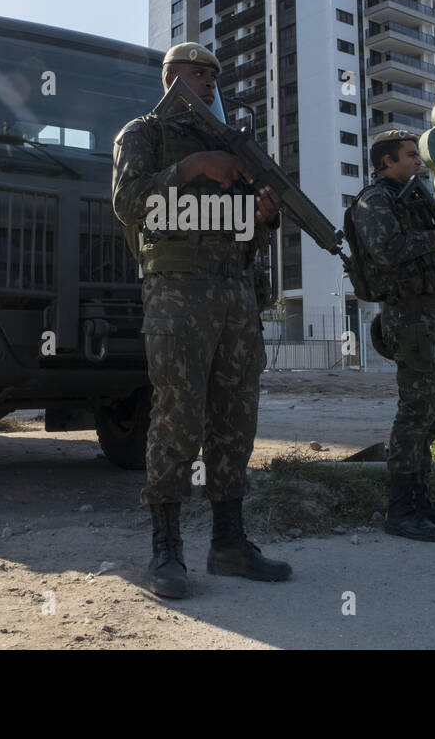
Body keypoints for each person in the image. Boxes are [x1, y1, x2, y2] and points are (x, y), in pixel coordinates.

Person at [111, 41, 288, 599]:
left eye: (214, 74)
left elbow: (248, 232)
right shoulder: (143, 133)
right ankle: (166, 550)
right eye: (196, 72)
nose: (209, 81)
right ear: (170, 78)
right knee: (177, 416)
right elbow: (128, 201)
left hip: (235, 290)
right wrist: (191, 167)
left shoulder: (230, 142)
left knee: (236, 418)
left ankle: (230, 544)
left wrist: (265, 216)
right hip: (177, 290)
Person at [351, 130, 435, 542]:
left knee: (434, 414)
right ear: (385, 162)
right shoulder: (376, 200)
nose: (417, 161)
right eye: (409, 155)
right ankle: (400, 510)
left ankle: (421, 500)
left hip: (432, 315)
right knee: (415, 413)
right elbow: (385, 248)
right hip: (406, 317)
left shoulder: (417, 203)